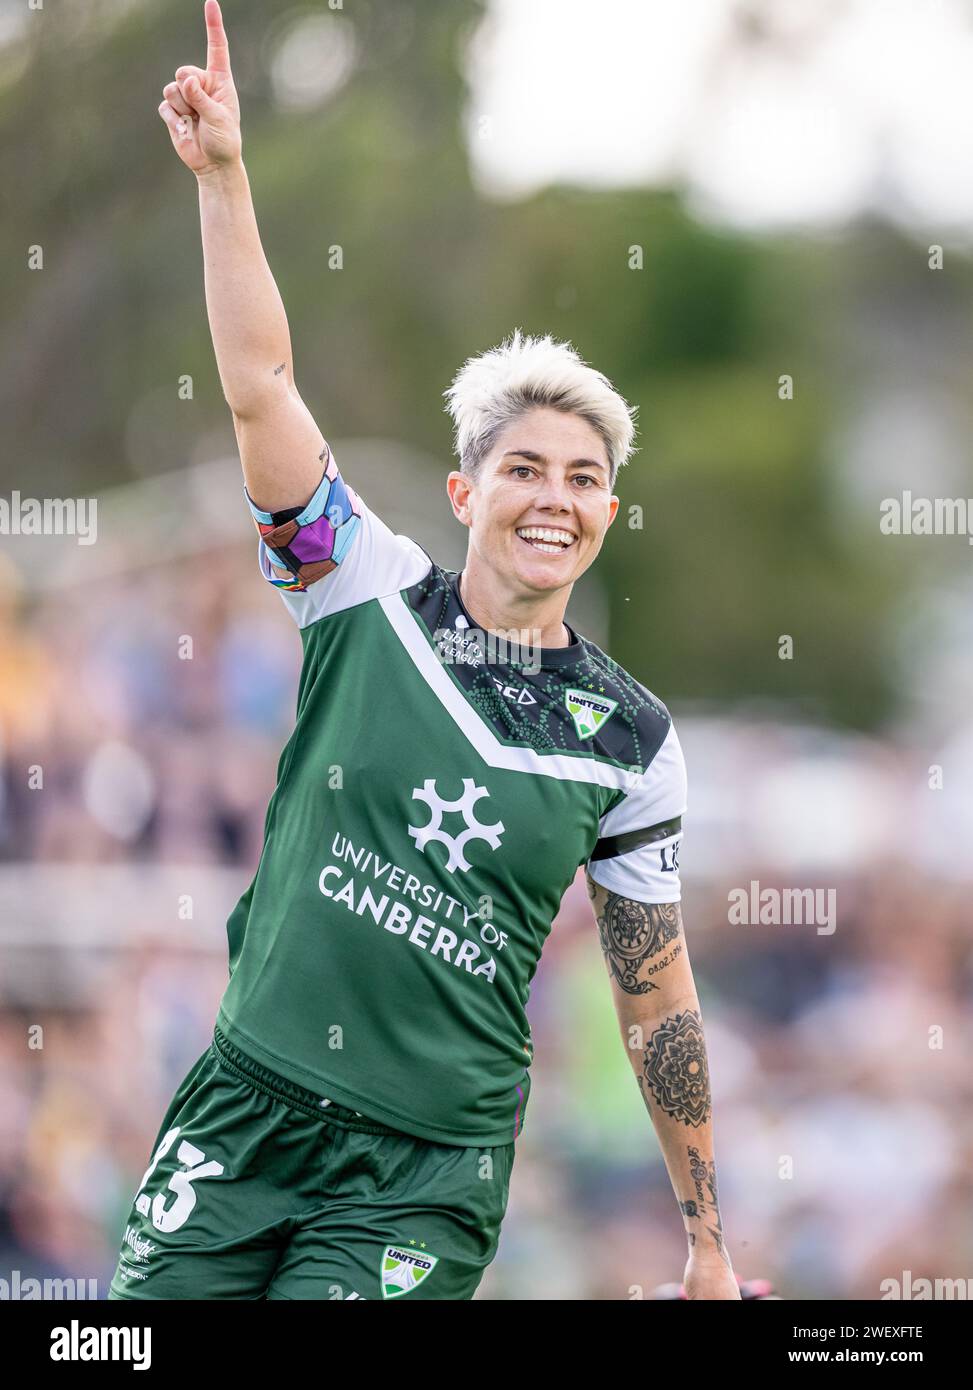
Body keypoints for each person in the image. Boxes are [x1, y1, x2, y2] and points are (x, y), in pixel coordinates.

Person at [109, 0, 740, 1302]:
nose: (552, 498)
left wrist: (705, 1237)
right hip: (243, 1105)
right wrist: (224, 180)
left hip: (422, 1171)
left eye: (582, 478)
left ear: (606, 513)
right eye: (523, 469)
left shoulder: (630, 740)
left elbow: (653, 998)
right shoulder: (358, 584)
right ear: (465, 494)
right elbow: (259, 387)